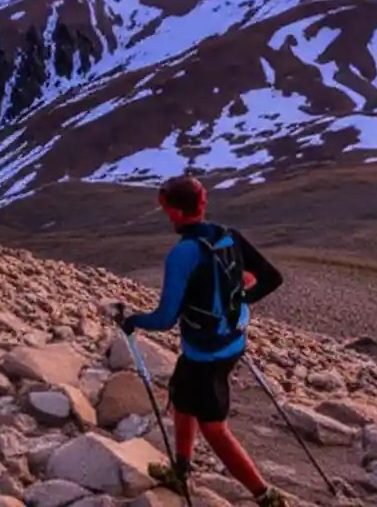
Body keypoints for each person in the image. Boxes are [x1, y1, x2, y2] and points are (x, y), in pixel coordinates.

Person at [116, 174, 288, 507]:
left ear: (174, 211)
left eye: (165, 207)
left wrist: (132, 321)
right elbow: (272, 278)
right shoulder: (228, 237)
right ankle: (181, 469)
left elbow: (166, 319)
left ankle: (266, 497)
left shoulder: (183, 254)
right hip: (229, 343)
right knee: (181, 399)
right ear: (203, 202)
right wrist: (237, 303)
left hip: (205, 355)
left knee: (215, 430)